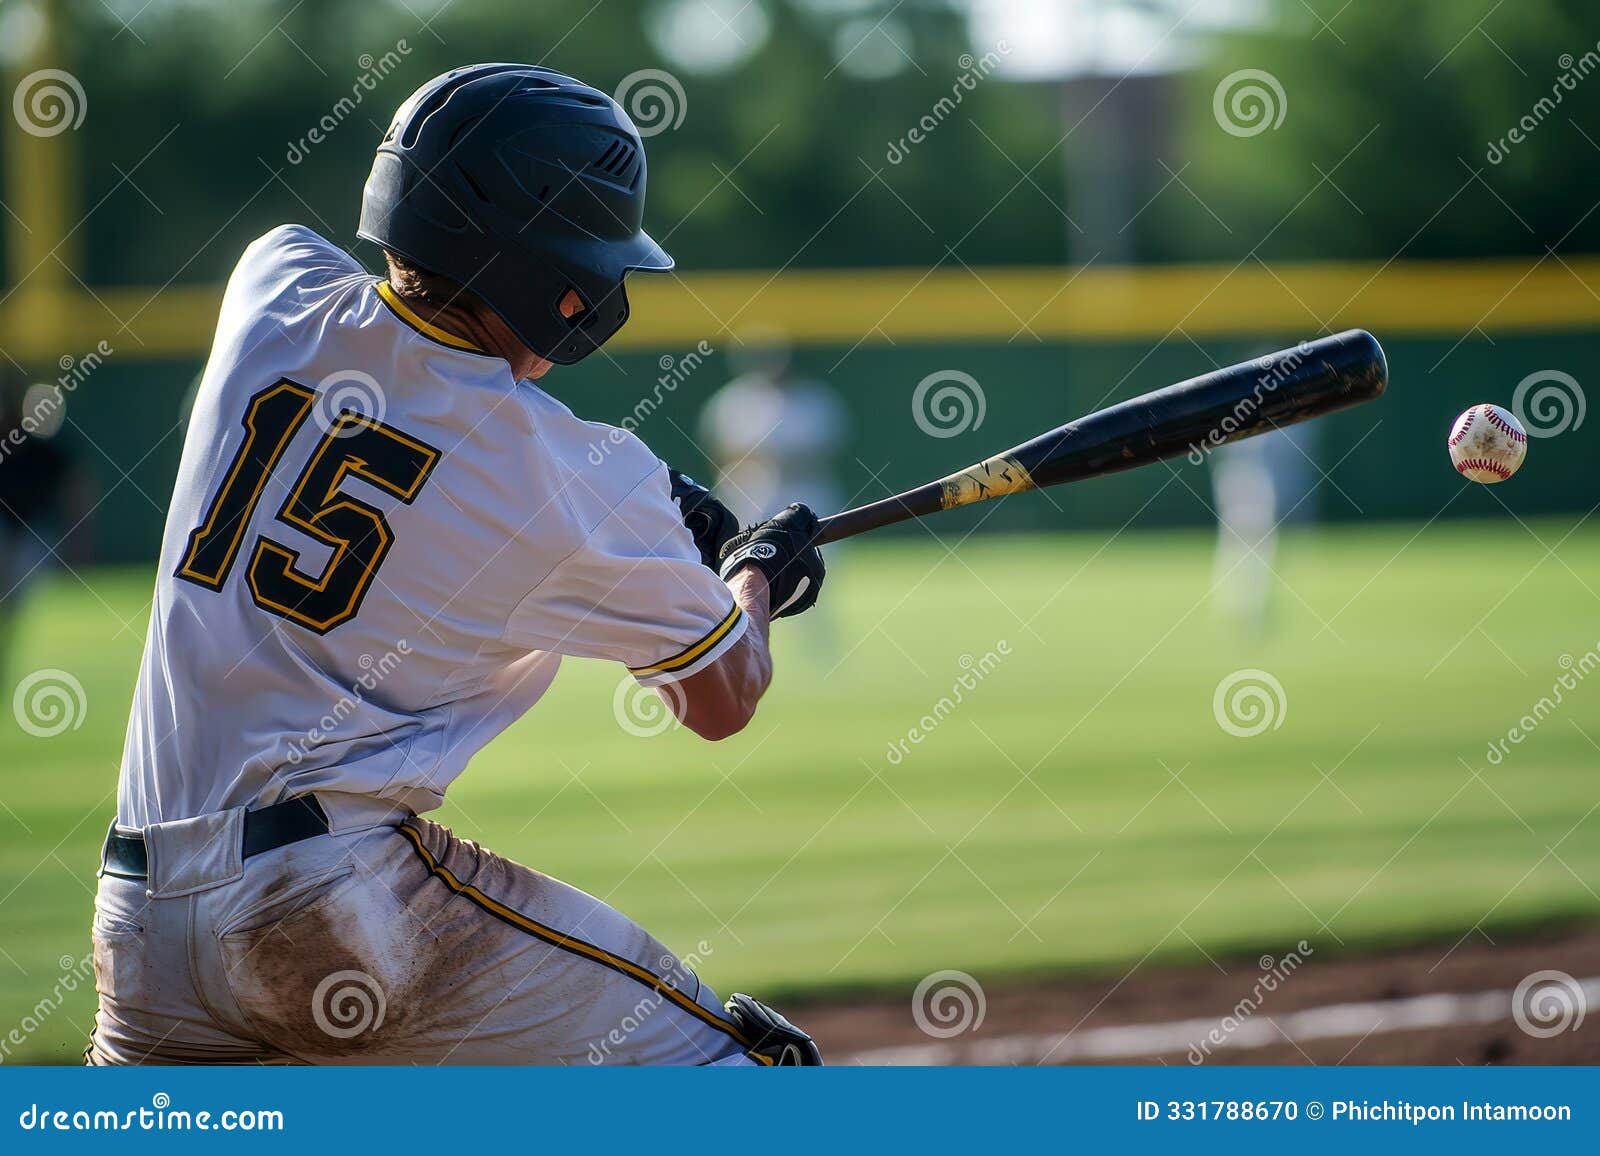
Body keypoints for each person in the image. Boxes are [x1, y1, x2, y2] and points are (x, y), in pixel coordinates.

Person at [90, 64, 825, 1066]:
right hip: (328, 912)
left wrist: (649, 507)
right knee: (737, 1076)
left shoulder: (271, 288)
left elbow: (410, 406)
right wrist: (753, 575)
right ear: (549, 275)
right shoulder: (569, 474)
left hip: (133, 924)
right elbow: (721, 695)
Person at [698, 331, 847, 524]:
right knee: (747, 548)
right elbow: (718, 452)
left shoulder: (812, 398)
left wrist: (788, 460)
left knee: (817, 547)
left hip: (805, 486)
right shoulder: (731, 400)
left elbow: (830, 449)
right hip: (751, 492)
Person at [0, 375, 91, 682]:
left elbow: (76, 494)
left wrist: (79, 541)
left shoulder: (50, 452)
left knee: (12, 602)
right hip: (5, 535)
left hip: (32, 536)